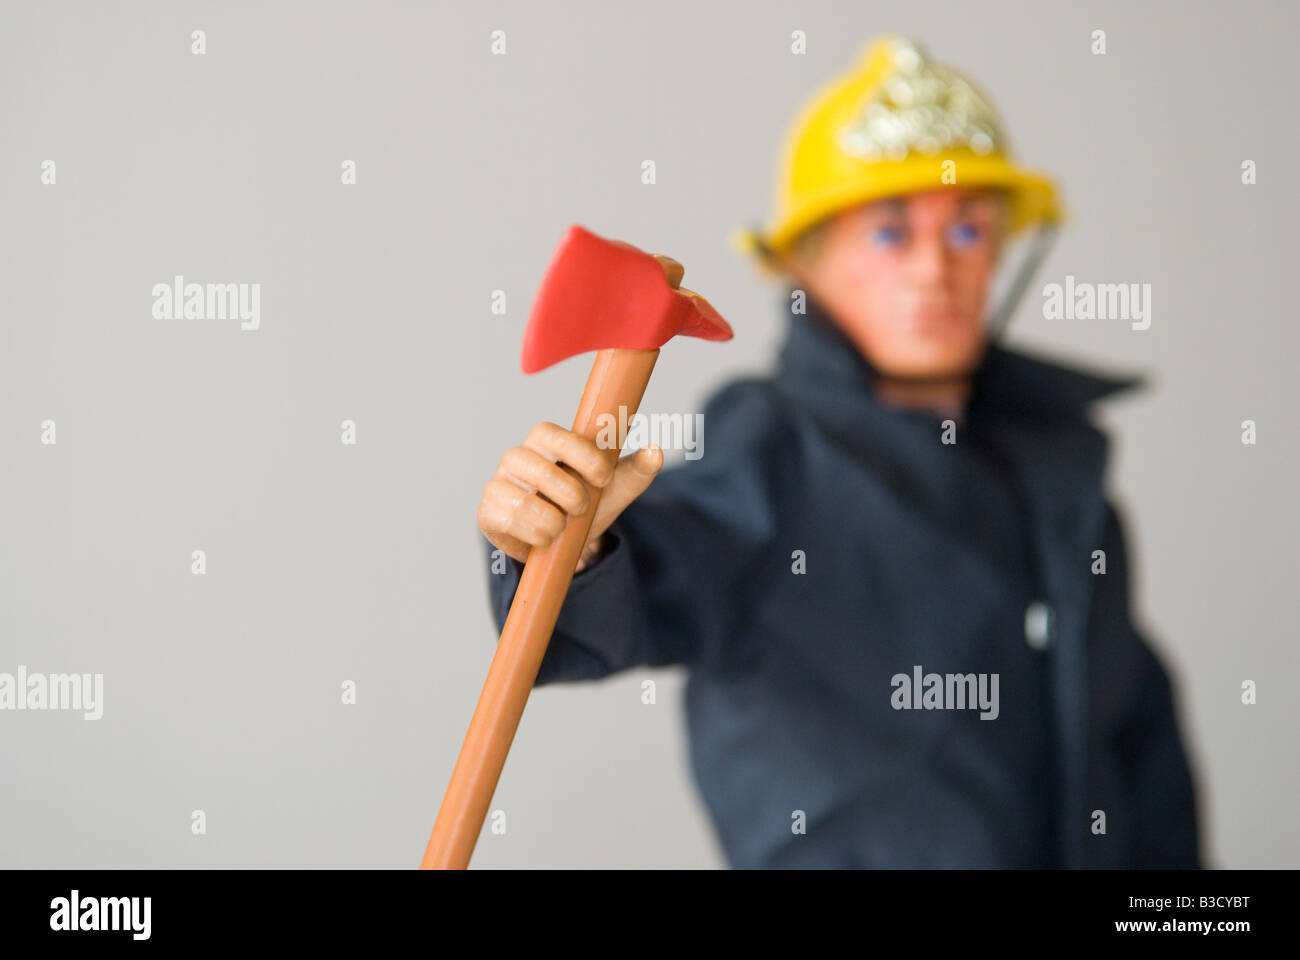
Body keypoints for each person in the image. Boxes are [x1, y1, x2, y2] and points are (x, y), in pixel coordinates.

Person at [476, 36, 1201, 868]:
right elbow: (647, 582)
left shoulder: (1061, 477)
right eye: (891, 233)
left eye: (967, 229)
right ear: (805, 263)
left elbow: (1138, 748)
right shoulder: (773, 446)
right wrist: (567, 542)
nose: (935, 268)